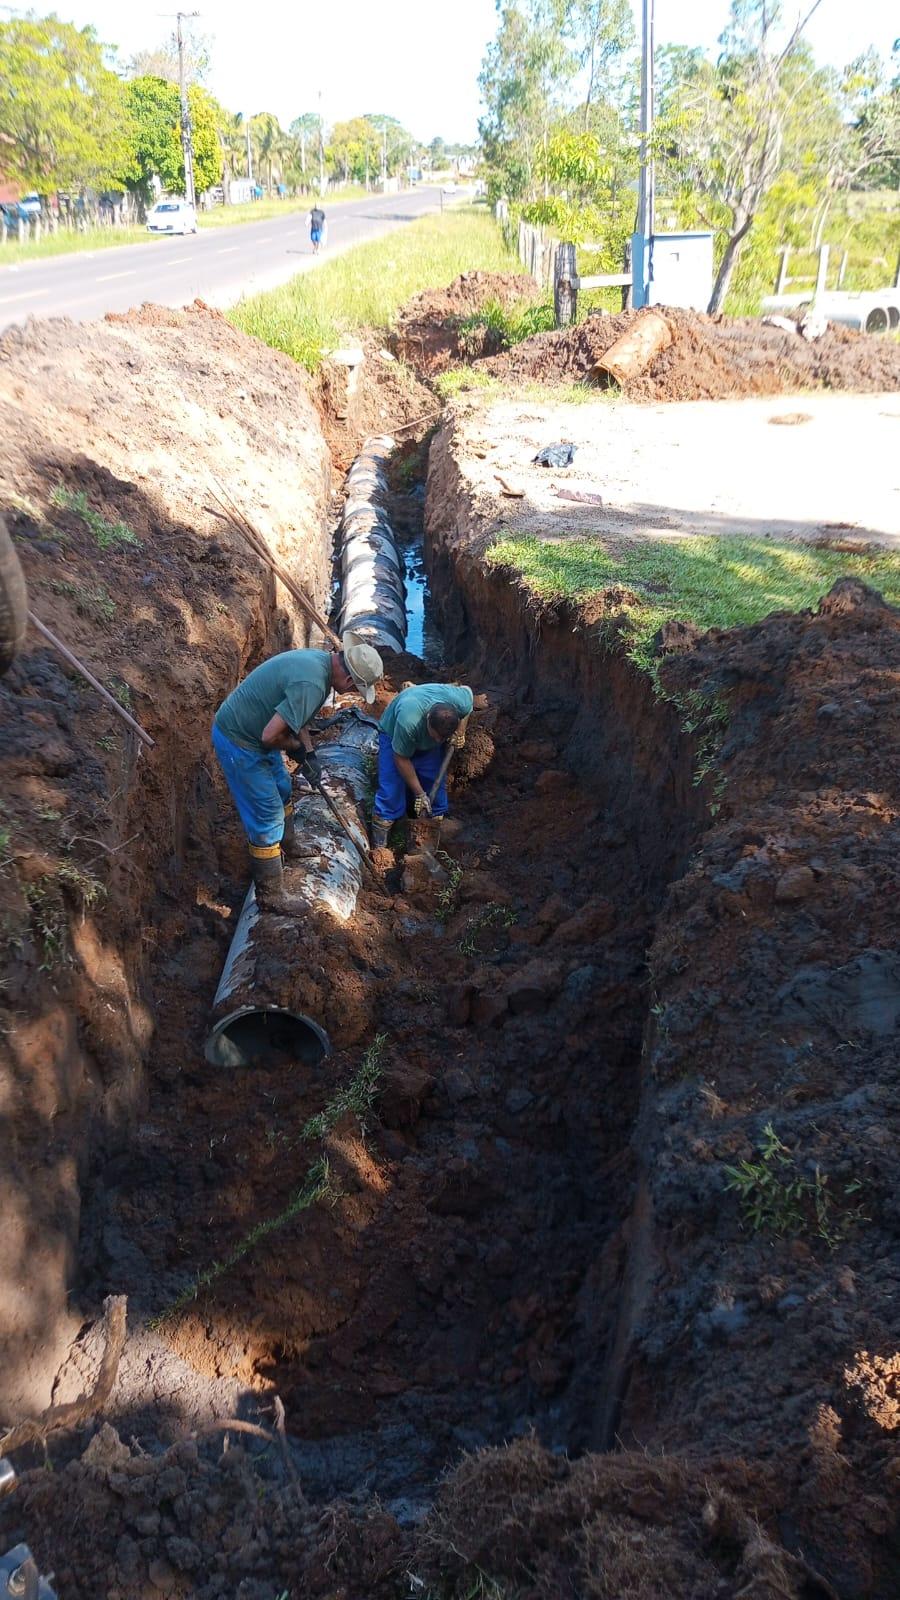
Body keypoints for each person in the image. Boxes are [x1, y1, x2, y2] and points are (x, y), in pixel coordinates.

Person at [213, 632, 383, 910]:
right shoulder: (312, 683)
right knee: (267, 816)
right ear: (351, 680)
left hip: (256, 736)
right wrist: (296, 751)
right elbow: (271, 736)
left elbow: (298, 719)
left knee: (282, 787)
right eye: (355, 689)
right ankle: (270, 897)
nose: (352, 694)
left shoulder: (320, 667)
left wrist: (310, 755)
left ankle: (289, 845)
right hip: (240, 742)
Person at [371, 682, 475, 853]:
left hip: (423, 731)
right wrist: (419, 793)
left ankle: (428, 843)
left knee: (434, 787)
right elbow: (401, 759)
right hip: (393, 734)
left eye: (442, 739)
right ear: (428, 719)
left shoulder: (460, 702)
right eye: (435, 736)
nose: (438, 741)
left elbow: (468, 694)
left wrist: (461, 731)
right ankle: (381, 851)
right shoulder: (408, 721)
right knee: (391, 791)